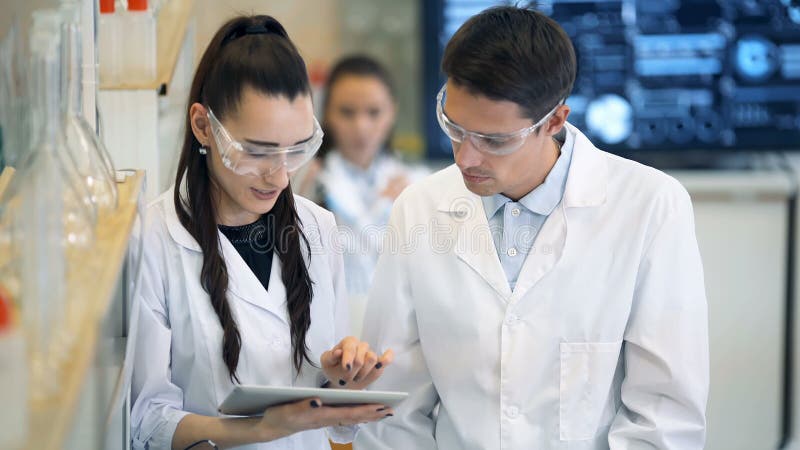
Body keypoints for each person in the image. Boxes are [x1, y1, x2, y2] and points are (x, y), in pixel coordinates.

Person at [356, 6, 709, 449]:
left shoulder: (651, 207)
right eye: (454, 127)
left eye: (494, 140)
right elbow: (391, 408)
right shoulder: (420, 209)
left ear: (555, 121)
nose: (465, 157)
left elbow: (665, 416)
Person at [129, 16, 394, 450]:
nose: (279, 175)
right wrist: (265, 428)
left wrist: (341, 381)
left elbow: (336, 428)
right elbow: (148, 423)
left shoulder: (318, 229)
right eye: (256, 151)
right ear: (203, 127)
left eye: (296, 150)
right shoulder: (154, 239)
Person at [297, 55, 427, 336]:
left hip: (399, 331)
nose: (361, 127)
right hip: (329, 327)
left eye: (373, 112)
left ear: (392, 112)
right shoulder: (305, 181)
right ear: (326, 113)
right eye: (347, 112)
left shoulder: (417, 183)